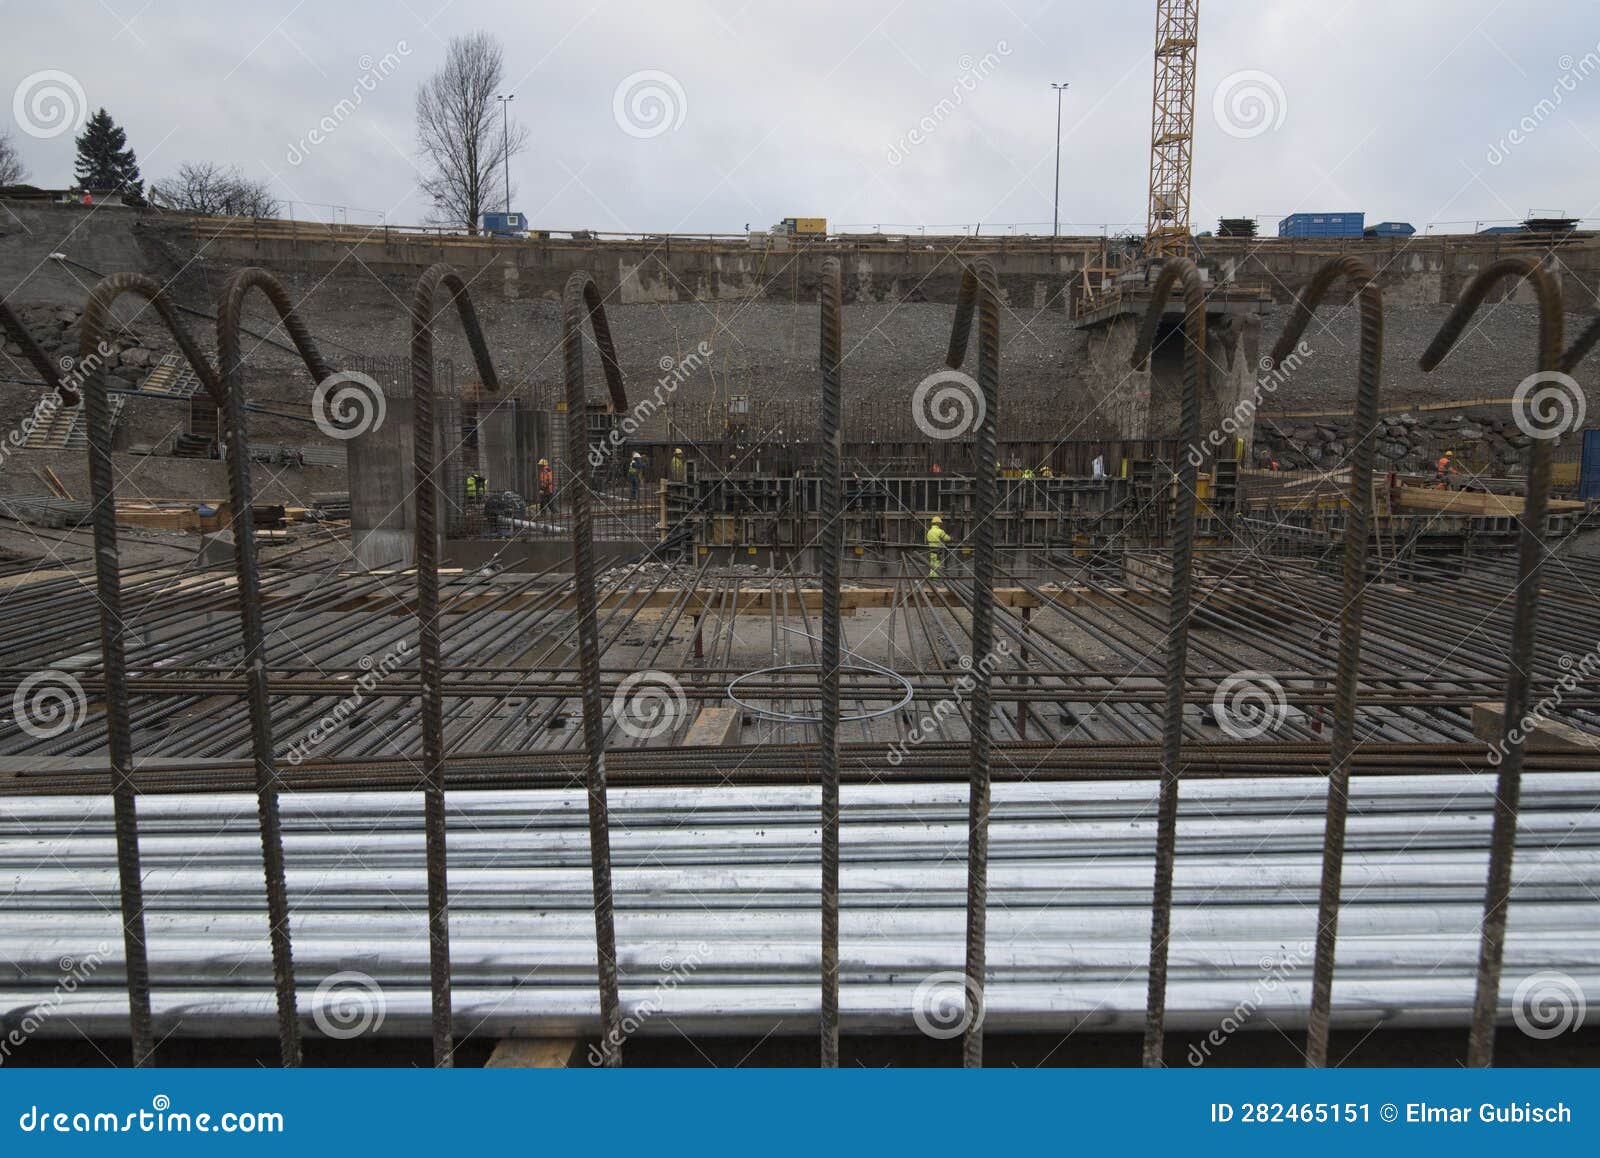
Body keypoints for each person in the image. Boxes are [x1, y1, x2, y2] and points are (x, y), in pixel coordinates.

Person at [926, 515, 951, 580]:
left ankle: (931, 577)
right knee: (937, 564)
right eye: (939, 523)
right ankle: (936, 579)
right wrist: (951, 538)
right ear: (937, 523)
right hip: (937, 551)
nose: (940, 524)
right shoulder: (940, 531)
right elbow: (946, 538)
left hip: (931, 550)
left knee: (932, 564)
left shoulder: (929, 532)